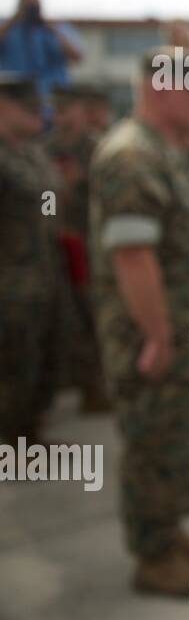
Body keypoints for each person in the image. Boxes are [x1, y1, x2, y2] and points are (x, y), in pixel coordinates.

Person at [88, 49, 189, 596]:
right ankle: (152, 556)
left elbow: (170, 225)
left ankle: (169, 530)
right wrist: (156, 335)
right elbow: (132, 255)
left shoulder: (160, 152)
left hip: (180, 330)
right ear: (165, 88)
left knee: (177, 439)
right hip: (153, 335)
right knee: (153, 444)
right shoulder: (132, 155)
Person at [0, 74, 61, 445]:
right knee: (11, 365)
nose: (40, 117)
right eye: (30, 109)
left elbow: (50, 203)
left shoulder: (33, 152)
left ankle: (29, 433)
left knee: (41, 358)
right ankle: (13, 443)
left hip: (44, 272)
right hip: (9, 277)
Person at [43, 82, 110, 414]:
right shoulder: (47, 149)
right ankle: (79, 382)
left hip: (93, 244)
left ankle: (95, 385)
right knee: (69, 317)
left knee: (95, 316)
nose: (61, 117)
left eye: (67, 109)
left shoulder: (100, 149)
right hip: (59, 245)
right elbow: (45, 207)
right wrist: (57, 197)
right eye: (56, 110)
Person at [0, 0, 82, 122]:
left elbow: (77, 56)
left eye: (33, 6)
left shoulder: (56, 28)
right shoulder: (7, 28)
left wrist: (51, 29)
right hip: (17, 105)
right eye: (27, 6)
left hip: (54, 103)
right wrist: (14, 20)